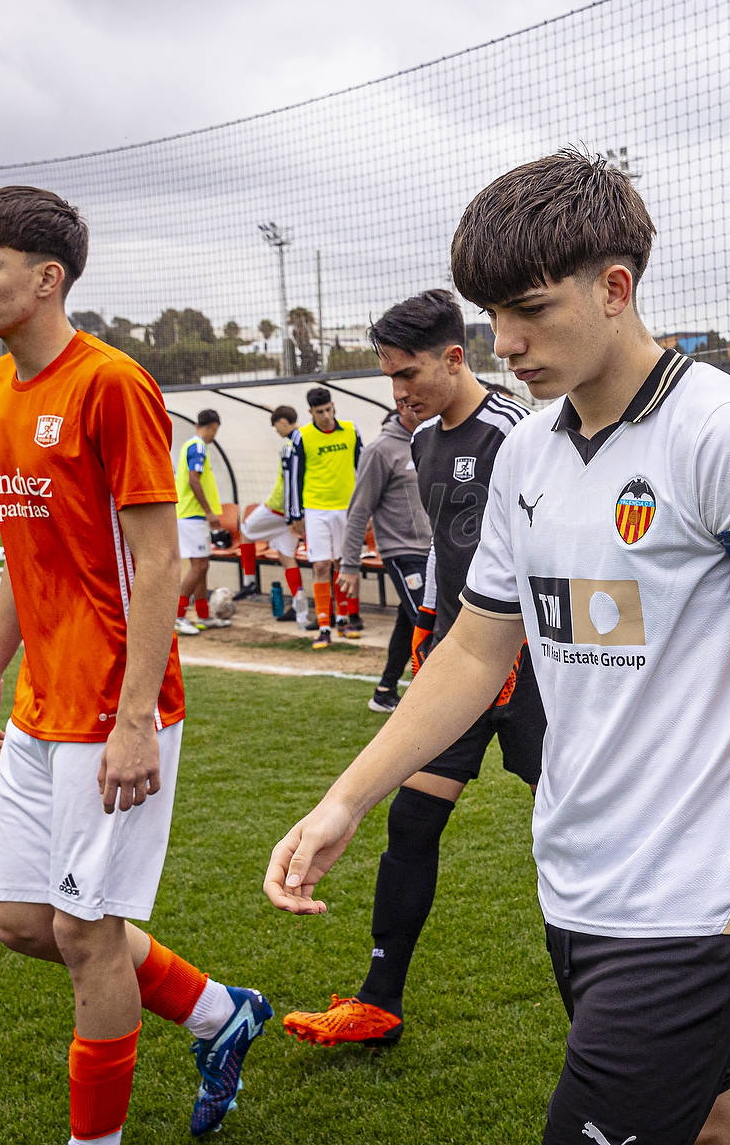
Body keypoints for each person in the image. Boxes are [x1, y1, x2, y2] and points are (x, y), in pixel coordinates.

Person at [268, 150, 730, 1145]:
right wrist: (348, 797)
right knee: (716, 1130)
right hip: (577, 881)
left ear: (615, 287)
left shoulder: (726, 438)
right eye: (491, 314)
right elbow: (471, 651)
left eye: (531, 309)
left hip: (690, 904)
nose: (506, 341)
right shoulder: (530, 455)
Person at [0, 186, 268, 1145]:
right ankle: (219, 1012)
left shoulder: (112, 384)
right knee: (23, 924)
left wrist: (137, 720)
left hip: (116, 708)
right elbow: (26, 548)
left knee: (87, 937)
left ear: (47, 280)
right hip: (42, 704)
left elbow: (161, 560)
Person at [282, 289, 541, 1050]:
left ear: (455, 358)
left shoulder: (516, 434)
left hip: (532, 672)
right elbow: (442, 552)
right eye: (389, 377)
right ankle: (379, 1002)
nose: (397, 393)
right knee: (411, 818)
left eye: (407, 375)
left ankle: (628, 1009)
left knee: (577, 825)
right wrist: (427, 627)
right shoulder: (422, 442)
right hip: (457, 666)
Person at [340, 396, 432, 713]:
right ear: (402, 407)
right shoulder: (380, 450)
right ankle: (429, 704)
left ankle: (384, 691)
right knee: (427, 622)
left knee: (409, 621)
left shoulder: (430, 438)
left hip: (432, 550)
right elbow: (359, 510)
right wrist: (350, 564)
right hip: (401, 551)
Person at [286, 386, 363, 648]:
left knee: (344, 564)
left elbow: (362, 472)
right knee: (321, 565)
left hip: (346, 509)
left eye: (329, 409)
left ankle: (344, 619)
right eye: (320, 412)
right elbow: (294, 478)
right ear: (310, 412)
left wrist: (366, 509)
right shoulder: (301, 436)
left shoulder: (351, 430)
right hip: (316, 509)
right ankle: (323, 625)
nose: (327, 415)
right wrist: (295, 514)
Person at [232, 405, 307, 614]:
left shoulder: (291, 445)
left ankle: (249, 582)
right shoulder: (307, 437)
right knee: (286, 556)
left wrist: (292, 511)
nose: (277, 432)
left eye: (277, 428)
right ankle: (299, 606)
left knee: (246, 530)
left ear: (283, 422)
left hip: (278, 508)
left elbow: (292, 480)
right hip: (295, 512)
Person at [174, 409, 230, 634]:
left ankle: (203, 615)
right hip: (192, 515)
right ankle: (178, 616)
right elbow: (194, 480)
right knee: (199, 566)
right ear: (213, 427)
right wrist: (209, 512)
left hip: (190, 515)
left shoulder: (191, 445)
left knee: (202, 567)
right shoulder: (198, 446)